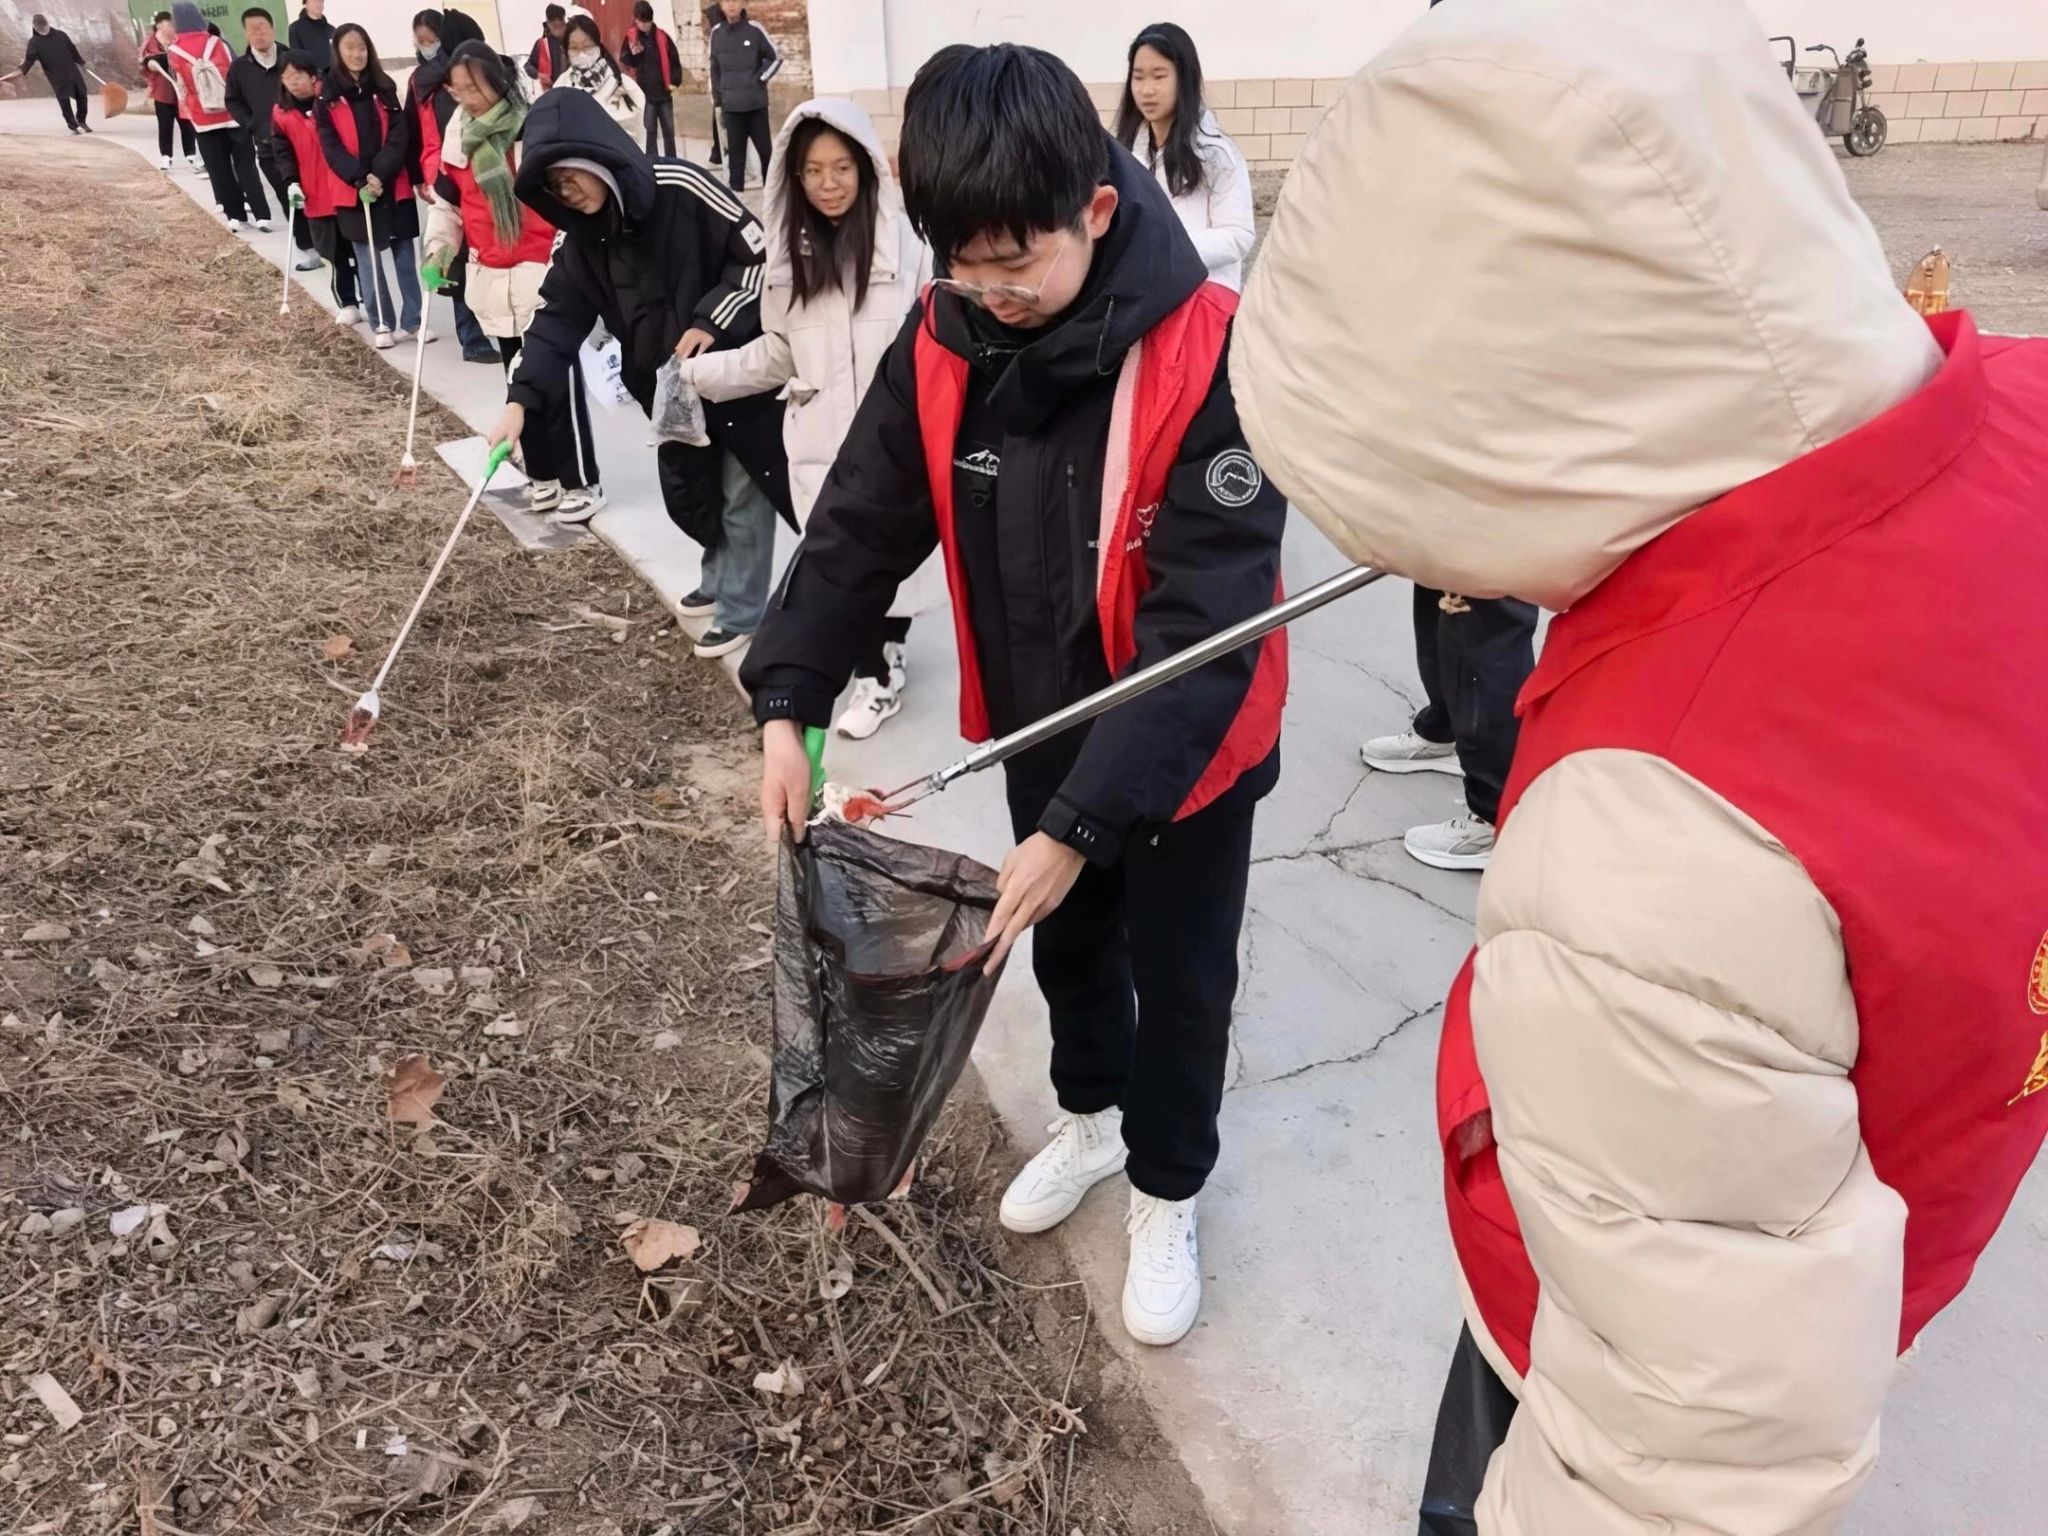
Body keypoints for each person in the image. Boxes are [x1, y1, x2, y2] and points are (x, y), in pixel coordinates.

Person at [1234, 0, 2048, 1531]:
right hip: (1895, 1179)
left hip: (1599, 1328)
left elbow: (1679, 1465)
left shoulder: (1653, 839)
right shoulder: (2026, 411)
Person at [743, 44, 1288, 1349]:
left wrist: (1083, 823)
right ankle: (1091, 1121)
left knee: (1183, 975)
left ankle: (1168, 1183)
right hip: (1043, 725)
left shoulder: (1213, 354)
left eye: (1017, 262)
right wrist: (791, 704)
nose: (989, 292)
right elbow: (858, 526)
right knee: (1067, 946)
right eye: (960, 260)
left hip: (1188, 750)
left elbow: (1206, 626)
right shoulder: (944, 341)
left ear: (1096, 213)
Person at [487, 88, 791, 656]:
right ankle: (720, 577)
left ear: (597, 156)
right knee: (691, 490)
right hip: (668, 389)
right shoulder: (578, 242)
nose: (566, 193)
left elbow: (757, 254)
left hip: (734, 370)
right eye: (552, 187)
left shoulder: (680, 187)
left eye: (569, 176)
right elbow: (554, 320)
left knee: (742, 489)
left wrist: (711, 320)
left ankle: (744, 607)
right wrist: (518, 403)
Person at [679, 98, 941, 739]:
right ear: (792, 178)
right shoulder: (786, 262)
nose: (829, 185)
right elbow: (779, 351)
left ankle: (880, 673)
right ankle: (877, 668)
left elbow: (938, 339)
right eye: (814, 171)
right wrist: (701, 374)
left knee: (886, 559)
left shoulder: (907, 249)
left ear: (867, 169)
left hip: (893, 439)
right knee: (842, 565)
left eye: (842, 168)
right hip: (821, 439)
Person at [424, 42, 604, 523]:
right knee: (517, 387)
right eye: (457, 89)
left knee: (556, 384)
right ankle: (542, 473)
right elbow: (449, 201)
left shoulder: (532, 126)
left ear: (497, 81)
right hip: (491, 276)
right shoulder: (459, 132)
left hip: (542, 273)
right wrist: (439, 248)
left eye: (474, 87)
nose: (466, 98)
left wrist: (569, 259)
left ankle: (580, 479)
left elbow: (565, 196)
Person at [1113, 23, 1254, 292]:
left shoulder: (1215, 154)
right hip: (1145, 298)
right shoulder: (1128, 152)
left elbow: (1238, 235)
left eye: (1159, 76)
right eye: (1139, 77)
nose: (1146, 90)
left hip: (1199, 298)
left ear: (1184, 79)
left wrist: (1168, 248)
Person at [317, 22, 424, 348]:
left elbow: (398, 134)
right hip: (355, 189)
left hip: (392, 183)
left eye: (361, 47)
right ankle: (381, 322)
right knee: (368, 259)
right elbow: (329, 145)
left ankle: (413, 321)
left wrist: (381, 172)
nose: (356, 54)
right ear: (338, 51)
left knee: (404, 255)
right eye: (349, 47)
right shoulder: (327, 94)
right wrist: (361, 178)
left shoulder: (384, 85)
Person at [405, 8, 500, 363]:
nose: (428, 47)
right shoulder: (425, 83)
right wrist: (419, 176)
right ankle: (472, 337)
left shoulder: (484, 84)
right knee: (459, 258)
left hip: (478, 177)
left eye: (434, 40)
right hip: (448, 175)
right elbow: (414, 130)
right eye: (422, 41)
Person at [263, 48, 364, 321]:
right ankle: (347, 303)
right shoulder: (281, 113)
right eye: (286, 77)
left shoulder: (331, 100)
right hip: (315, 195)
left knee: (360, 252)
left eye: (297, 75)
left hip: (345, 189)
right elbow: (281, 153)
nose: (293, 82)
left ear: (312, 74)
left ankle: (371, 299)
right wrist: (291, 182)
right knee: (333, 256)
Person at [166, 1, 274, 232]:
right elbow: (237, 76)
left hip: (203, 120)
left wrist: (190, 116)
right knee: (246, 166)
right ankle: (262, 215)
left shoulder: (173, 51)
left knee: (219, 169)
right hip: (233, 116)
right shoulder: (217, 42)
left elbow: (181, 88)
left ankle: (235, 216)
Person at [227, 9, 311, 263]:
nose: (258, 33)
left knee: (315, 194)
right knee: (289, 198)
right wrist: (252, 124)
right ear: (246, 33)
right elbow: (233, 101)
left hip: (302, 143)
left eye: (262, 27)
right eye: (252, 29)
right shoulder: (240, 68)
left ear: (272, 28)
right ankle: (308, 249)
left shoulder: (290, 60)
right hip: (267, 147)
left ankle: (333, 248)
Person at [707, 0, 778, 193]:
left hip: (756, 105)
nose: (731, 5)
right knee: (736, 159)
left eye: (735, 1)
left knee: (765, 153)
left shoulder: (755, 30)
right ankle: (736, 202)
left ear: (743, 4)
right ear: (721, 6)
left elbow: (775, 57)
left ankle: (771, 195)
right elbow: (714, 68)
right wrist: (718, 98)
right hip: (732, 108)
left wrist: (760, 79)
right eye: (727, 2)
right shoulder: (716, 34)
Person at [554, 15, 644, 133]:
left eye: (587, 46)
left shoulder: (622, 85)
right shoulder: (561, 86)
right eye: (574, 47)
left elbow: (639, 130)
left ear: (598, 47)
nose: (581, 53)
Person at [5, 15, 90, 135]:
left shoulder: (61, 35)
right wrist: (20, 71)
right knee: (64, 98)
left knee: (82, 94)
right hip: (55, 75)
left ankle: (82, 120)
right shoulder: (34, 42)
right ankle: (72, 124)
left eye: (44, 27)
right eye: (41, 29)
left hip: (71, 71)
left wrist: (83, 63)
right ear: (35, 27)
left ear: (48, 23)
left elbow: (73, 50)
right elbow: (29, 61)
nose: (44, 31)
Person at [621, 0, 683, 157]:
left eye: (646, 21)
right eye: (640, 21)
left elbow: (674, 61)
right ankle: (651, 163)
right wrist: (634, 53)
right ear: (635, 19)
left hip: (664, 92)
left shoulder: (663, 37)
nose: (644, 25)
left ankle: (672, 162)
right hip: (644, 94)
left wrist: (675, 82)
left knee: (669, 132)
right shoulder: (631, 38)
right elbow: (626, 62)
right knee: (649, 132)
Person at [142, 13, 201, 170]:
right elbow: (146, 61)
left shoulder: (179, 40)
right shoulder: (152, 42)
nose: (164, 27)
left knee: (186, 123)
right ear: (157, 26)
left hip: (182, 90)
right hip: (163, 92)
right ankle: (166, 157)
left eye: (168, 24)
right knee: (165, 125)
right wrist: (154, 62)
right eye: (161, 24)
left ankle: (191, 154)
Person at [525, 3, 567, 87]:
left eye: (560, 18)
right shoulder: (541, 44)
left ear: (564, 20)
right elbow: (528, 66)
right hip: (551, 92)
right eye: (552, 19)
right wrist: (538, 75)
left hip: (573, 90)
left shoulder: (573, 40)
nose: (556, 22)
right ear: (547, 23)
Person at [287, 0, 333, 71]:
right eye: (314, 1)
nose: (318, 4)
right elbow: (297, 59)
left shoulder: (331, 30)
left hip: (333, 78)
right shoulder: (295, 28)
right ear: (306, 3)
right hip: (312, 78)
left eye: (321, 1)